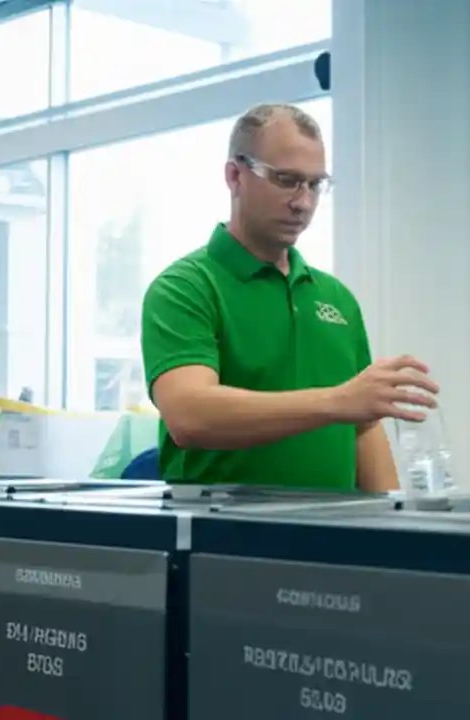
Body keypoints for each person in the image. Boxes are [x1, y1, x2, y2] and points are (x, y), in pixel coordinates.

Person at [140, 103, 439, 492]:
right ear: (235, 176)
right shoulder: (185, 288)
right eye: (286, 180)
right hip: (224, 527)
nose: (303, 202)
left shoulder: (336, 298)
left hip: (333, 526)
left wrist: (394, 518)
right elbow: (190, 416)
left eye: (314, 185)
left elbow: (363, 427)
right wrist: (337, 401)